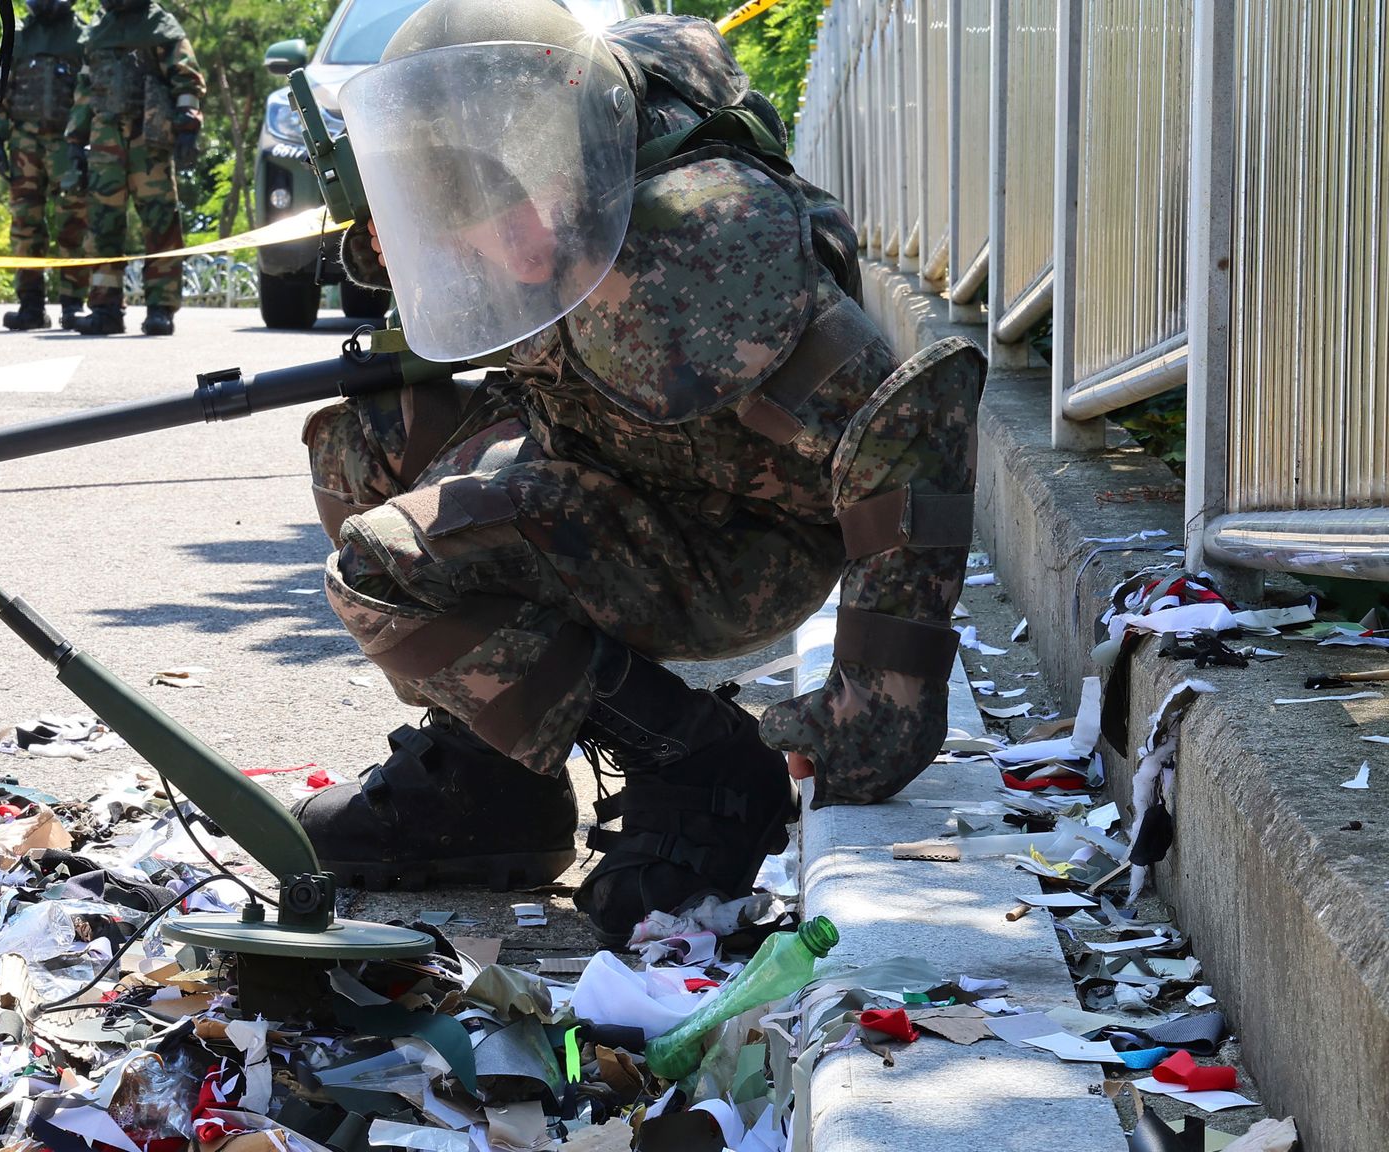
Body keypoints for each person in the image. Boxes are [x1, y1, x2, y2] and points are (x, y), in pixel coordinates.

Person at [294, 0, 985, 945]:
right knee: (358, 445)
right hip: (615, 443)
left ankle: (699, 765)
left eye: (509, 200)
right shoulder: (577, 117)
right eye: (465, 207)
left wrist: (881, 705)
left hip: (737, 536)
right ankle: (499, 784)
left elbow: (911, 421)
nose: (510, 234)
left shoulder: (688, 267)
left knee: (385, 565)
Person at [63, 0, 207, 337]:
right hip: (104, 141)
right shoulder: (98, 28)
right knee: (101, 225)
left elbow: (187, 79)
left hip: (150, 138)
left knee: (160, 221)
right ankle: (105, 309)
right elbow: (86, 89)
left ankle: (161, 309)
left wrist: (188, 126)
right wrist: (74, 141)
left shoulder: (160, 25)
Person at [0, 0, 91, 332]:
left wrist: (85, 141)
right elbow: (0, 90)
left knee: (73, 222)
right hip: (24, 145)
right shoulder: (18, 37)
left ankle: (73, 304)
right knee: (25, 225)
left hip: (68, 143)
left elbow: (92, 92)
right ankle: (30, 305)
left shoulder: (84, 36)